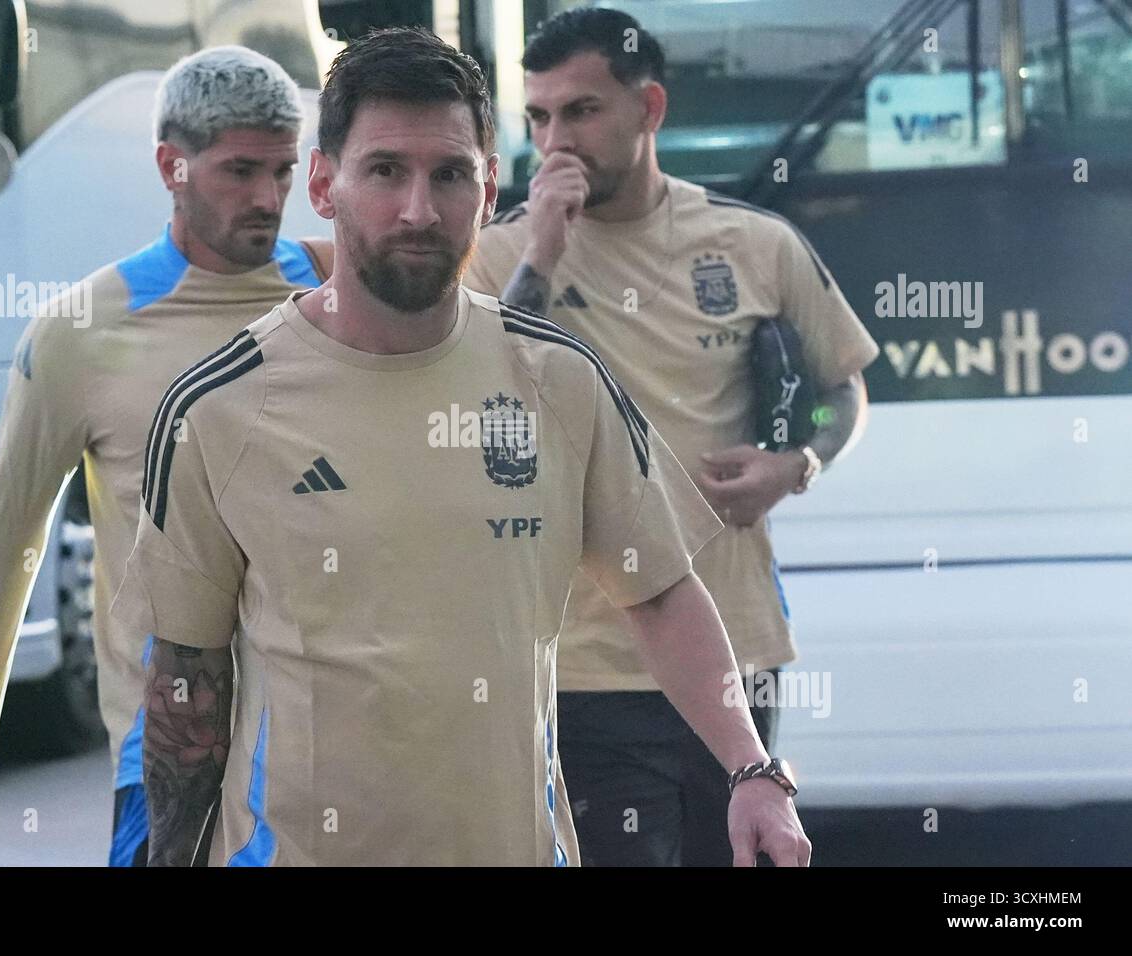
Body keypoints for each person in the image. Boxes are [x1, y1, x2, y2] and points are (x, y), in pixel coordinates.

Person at [110, 25, 811, 867]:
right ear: (326, 186)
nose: (418, 208)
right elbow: (187, 688)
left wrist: (752, 767)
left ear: (486, 192)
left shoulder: (560, 379)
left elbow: (661, 593)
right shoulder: (216, 409)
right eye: (385, 171)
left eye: (449, 174)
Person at [464, 8, 878, 866]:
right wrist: (540, 255)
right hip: (582, 662)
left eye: (581, 111)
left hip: (735, 650)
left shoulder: (754, 242)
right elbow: (484, 405)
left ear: (648, 108)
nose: (555, 140)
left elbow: (844, 391)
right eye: (538, 117)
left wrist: (796, 462)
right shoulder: (499, 255)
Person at [0, 46, 331, 866]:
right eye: (239, 171)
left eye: (283, 172)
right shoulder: (81, 332)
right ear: (170, 167)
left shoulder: (331, 295)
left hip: (328, 742)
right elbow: (9, 543)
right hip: (168, 753)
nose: (267, 199)